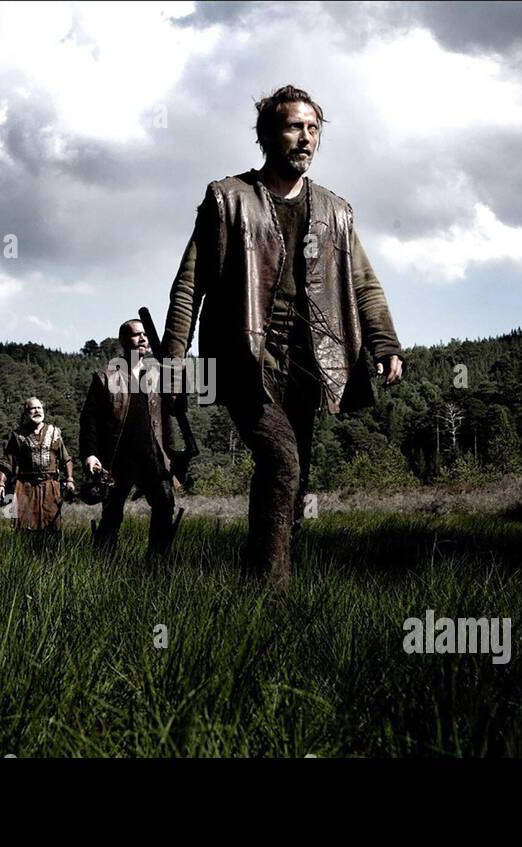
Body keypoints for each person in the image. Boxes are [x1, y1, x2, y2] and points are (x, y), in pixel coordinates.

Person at [161, 84, 405, 589]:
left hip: (312, 365)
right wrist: (173, 361)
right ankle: (270, 593)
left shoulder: (336, 210)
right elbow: (191, 284)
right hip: (245, 361)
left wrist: (385, 344)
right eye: (295, 127)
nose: (306, 138)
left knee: (292, 479)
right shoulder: (228, 199)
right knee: (281, 460)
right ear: (267, 134)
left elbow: (364, 283)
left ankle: (259, 572)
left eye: (313, 129)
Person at [79, 319, 176, 557]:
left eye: (145, 334)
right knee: (112, 512)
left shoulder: (157, 374)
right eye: (136, 335)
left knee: (165, 503)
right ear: (124, 341)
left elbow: (170, 414)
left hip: (151, 456)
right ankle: (104, 563)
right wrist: (90, 454)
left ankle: (157, 561)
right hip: (117, 458)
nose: (143, 338)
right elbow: (89, 419)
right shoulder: (105, 376)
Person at [0, 397, 76, 539]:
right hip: (25, 487)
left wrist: (69, 479)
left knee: (53, 528)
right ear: (26, 413)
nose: (37, 411)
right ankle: (25, 558)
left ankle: (51, 558)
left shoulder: (54, 432)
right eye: (33, 408)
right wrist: (1, 484)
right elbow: (7, 462)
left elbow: (66, 459)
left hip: (50, 486)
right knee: (24, 529)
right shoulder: (18, 435)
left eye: (39, 408)